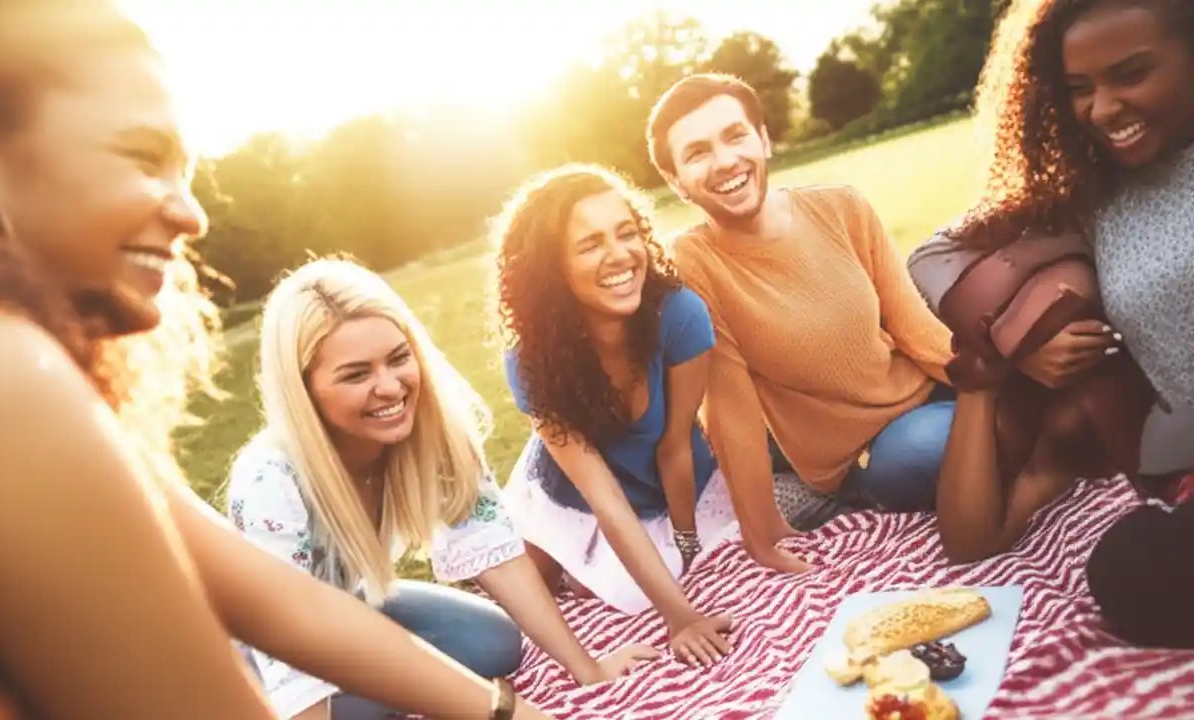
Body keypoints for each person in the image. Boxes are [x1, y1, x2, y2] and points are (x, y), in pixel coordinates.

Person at [0, 1, 555, 717]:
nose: (193, 215)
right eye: (140, 157)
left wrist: (505, 712)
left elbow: (289, 605)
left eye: (187, 172)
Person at [230, 257, 656, 719]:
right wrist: (494, 709)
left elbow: (493, 548)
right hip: (260, 651)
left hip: (355, 604)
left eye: (398, 358)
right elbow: (288, 648)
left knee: (493, 644)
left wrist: (587, 669)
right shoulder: (269, 478)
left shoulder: (430, 429)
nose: (391, 387)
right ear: (304, 389)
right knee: (369, 710)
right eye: (356, 374)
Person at [908, 0, 1194, 645]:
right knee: (1128, 569)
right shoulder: (1094, 197)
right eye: (1080, 90)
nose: (1103, 108)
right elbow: (932, 258)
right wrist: (1017, 347)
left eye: (1132, 74)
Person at [644, 73, 956, 574]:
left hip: (927, 395)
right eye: (697, 152)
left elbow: (915, 330)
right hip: (868, 454)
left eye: (735, 135)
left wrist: (992, 383)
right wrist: (761, 534)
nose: (724, 160)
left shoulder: (842, 206)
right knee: (925, 451)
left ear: (763, 139)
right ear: (677, 182)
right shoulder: (694, 263)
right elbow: (729, 411)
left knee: (1005, 402)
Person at [492, 164, 738, 666]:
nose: (620, 255)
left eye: (626, 234)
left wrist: (686, 542)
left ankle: (583, 569)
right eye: (590, 244)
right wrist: (679, 619)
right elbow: (602, 497)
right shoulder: (529, 362)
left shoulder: (681, 315)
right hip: (573, 494)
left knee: (665, 577)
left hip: (668, 484)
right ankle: (550, 553)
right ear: (552, 268)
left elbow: (675, 447)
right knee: (526, 600)